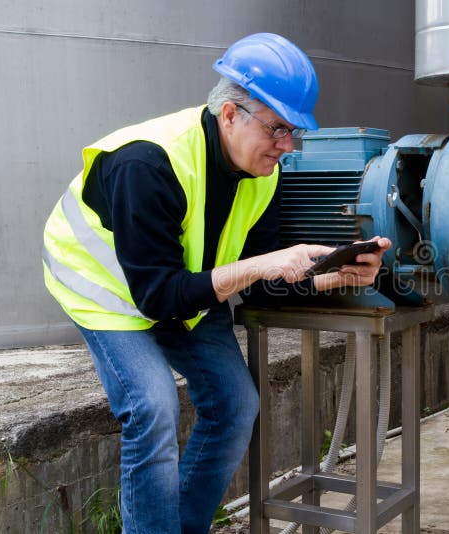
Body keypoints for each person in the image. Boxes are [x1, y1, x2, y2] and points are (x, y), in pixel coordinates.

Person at [42, 32, 390, 533]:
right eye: (277, 129)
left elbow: (259, 282)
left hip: (181, 286)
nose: (287, 146)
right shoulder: (148, 164)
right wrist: (258, 265)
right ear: (230, 114)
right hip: (107, 290)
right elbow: (161, 298)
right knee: (153, 406)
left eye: (293, 132)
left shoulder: (263, 173)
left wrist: (332, 276)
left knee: (236, 404)